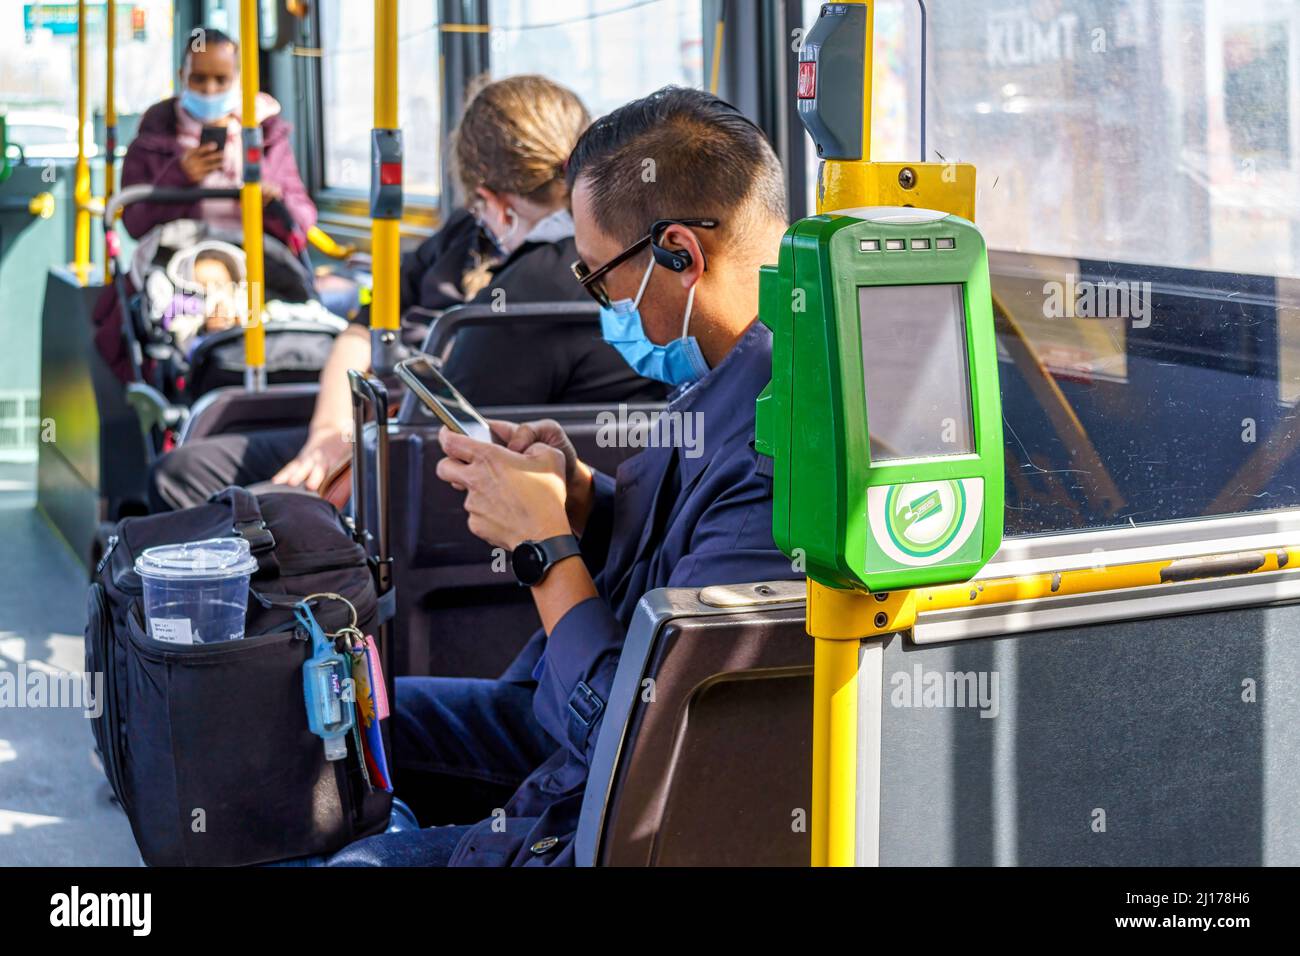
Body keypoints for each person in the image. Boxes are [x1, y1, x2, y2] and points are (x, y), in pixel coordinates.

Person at [324, 86, 799, 867]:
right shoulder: (727, 378)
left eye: (598, 276)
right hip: (577, 741)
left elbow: (643, 743)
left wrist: (543, 549)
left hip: (620, 786)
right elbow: (682, 567)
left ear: (678, 252)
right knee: (341, 723)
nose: (599, 303)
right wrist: (584, 502)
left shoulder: (776, 443)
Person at [147, 75, 664, 512]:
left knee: (188, 481)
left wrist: (353, 464)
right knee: (192, 467)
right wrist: (329, 434)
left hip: (409, 466)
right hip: (370, 433)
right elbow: (365, 323)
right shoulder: (467, 236)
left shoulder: (536, 288)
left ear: (490, 198)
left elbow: (445, 435)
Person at [120, 26, 316, 249]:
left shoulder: (268, 135)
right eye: (199, 78)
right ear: (182, 76)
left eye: (221, 80)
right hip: (178, 255)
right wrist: (178, 176)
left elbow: (303, 220)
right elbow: (135, 225)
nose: (210, 89)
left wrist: (273, 201)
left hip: (257, 257)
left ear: (238, 80)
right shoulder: (151, 141)